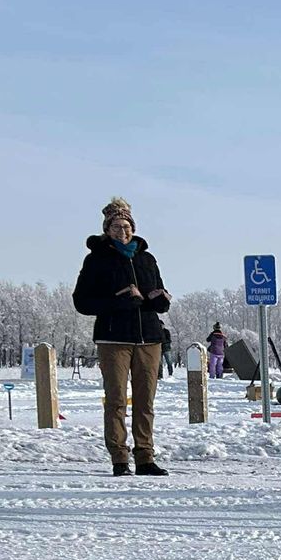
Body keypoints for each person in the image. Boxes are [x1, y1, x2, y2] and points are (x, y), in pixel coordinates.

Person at [72, 196, 172, 477]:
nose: (122, 231)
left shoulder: (146, 258)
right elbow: (82, 302)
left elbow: (158, 294)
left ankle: (145, 457)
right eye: (116, 227)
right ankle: (119, 457)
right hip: (113, 338)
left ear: (133, 227)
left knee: (145, 401)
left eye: (126, 226)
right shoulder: (96, 260)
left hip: (149, 338)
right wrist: (118, 302)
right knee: (116, 400)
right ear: (107, 229)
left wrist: (158, 300)